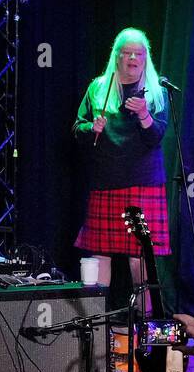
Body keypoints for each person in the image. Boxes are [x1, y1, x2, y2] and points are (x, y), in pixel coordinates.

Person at [72, 27, 170, 311]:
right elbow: (78, 129)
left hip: (143, 183)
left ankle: (145, 332)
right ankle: (97, 326)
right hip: (106, 180)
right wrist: (92, 127)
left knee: (140, 258)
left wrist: (144, 115)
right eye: (126, 52)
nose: (132, 58)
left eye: (137, 53)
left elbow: (156, 138)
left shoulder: (156, 90)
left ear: (145, 57)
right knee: (100, 254)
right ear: (116, 56)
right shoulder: (99, 87)